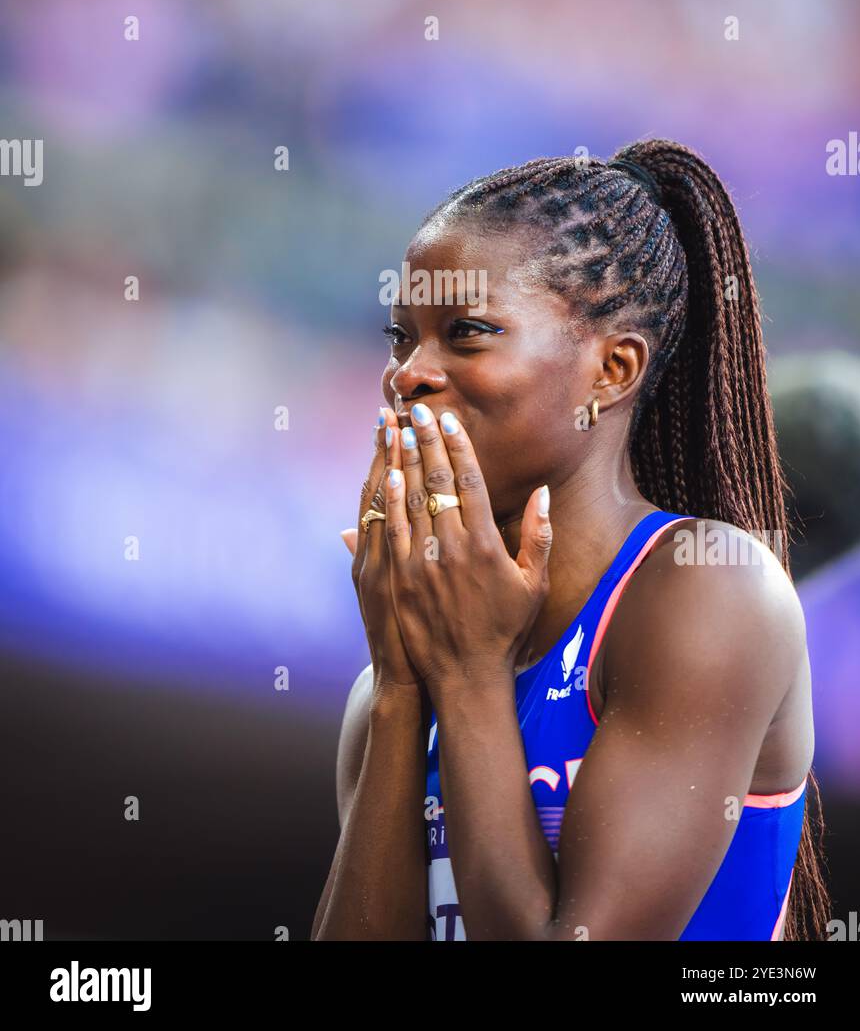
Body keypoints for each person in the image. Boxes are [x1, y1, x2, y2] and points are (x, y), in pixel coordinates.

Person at [312, 140, 830, 941]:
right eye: (400, 338)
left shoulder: (709, 592)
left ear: (612, 371)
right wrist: (401, 688)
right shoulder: (393, 684)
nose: (408, 373)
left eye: (467, 332)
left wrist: (472, 675)